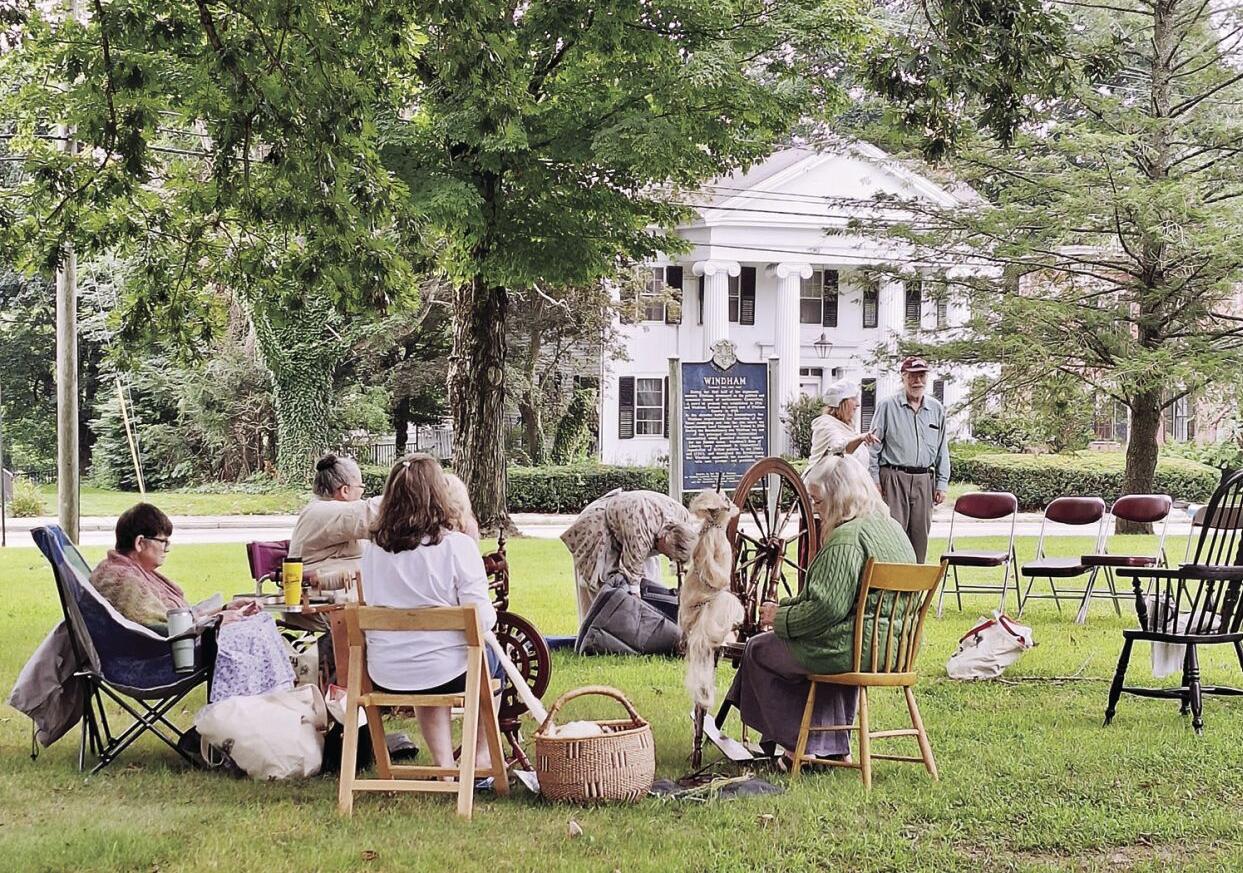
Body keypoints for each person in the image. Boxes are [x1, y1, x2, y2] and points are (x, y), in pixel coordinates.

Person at [723, 454, 916, 764]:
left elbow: (825, 608)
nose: (814, 510)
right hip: (892, 649)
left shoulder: (846, 539)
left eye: (818, 502)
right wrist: (786, 607)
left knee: (759, 650)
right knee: (822, 652)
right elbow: (833, 600)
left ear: (840, 497)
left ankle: (797, 748)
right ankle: (835, 748)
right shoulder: (891, 528)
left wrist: (780, 617)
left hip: (854, 650)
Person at [361, 454, 501, 773]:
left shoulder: (372, 551)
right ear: (437, 496)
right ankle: (479, 756)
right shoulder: (457, 547)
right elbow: (483, 622)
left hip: (386, 673)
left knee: (432, 666)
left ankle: (444, 766)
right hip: (446, 672)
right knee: (490, 660)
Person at [89, 503, 293, 702]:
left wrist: (224, 610)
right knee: (252, 635)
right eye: (163, 541)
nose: (166, 549)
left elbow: (173, 621)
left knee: (261, 622)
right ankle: (256, 708)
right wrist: (218, 621)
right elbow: (164, 630)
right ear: (140, 542)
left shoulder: (121, 571)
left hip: (169, 651)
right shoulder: (124, 581)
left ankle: (268, 704)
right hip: (158, 664)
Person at [560, 488, 698, 624]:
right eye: (668, 555)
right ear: (664, 538)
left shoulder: (683, 520)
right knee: (602, 588)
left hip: (629, 522)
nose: (668, 558)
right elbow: (633, 586)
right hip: (597, 526)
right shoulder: (641, 533)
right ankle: (593, 635)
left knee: (650, 581)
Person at [867, 357, 950, 563]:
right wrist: (875, 480)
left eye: (921, 376)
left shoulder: (936, 408)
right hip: (893, 477)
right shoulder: (887, 405)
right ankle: (892, 591)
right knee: (893, 537)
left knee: (920, 538)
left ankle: (915, 592)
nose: (917, 381)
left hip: (924, 480)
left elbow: (942, 449)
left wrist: (942, 483)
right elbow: (874, 447)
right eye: (912, 376)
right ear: (903, 377)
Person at [290, 454, 380, 593]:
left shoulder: (321, 509)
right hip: (323, 602)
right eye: (361, 488)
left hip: (331, 597)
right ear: (345, 490)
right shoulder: (326, 511)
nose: (362, 495)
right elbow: (373, 513)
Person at [807, 379, 880, 470]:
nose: (858, 404)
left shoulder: (847, 427)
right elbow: (839, 447)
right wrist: (861, 438)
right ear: (841, 403)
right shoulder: (825, 423)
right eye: (853, 399)